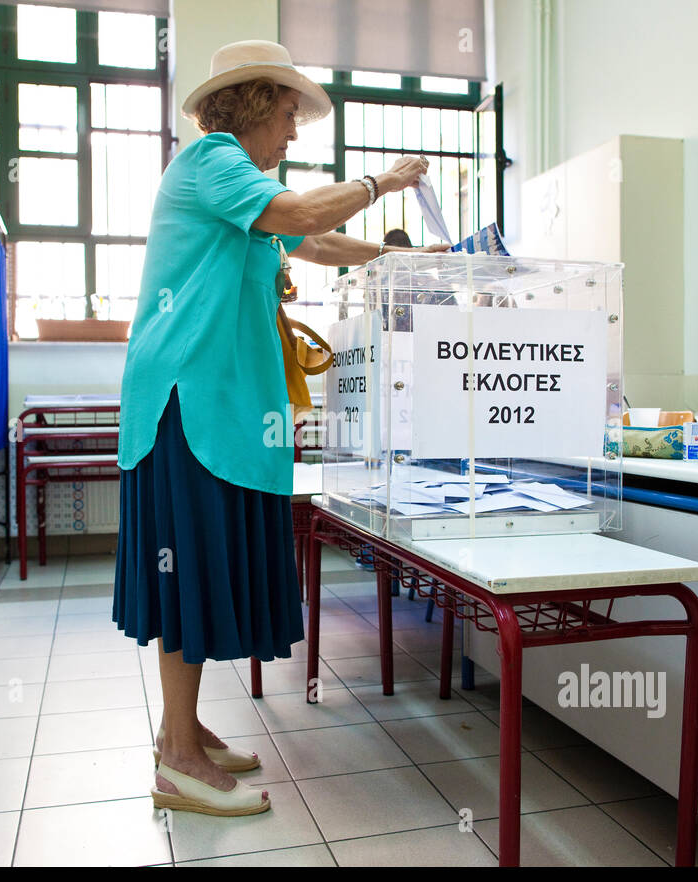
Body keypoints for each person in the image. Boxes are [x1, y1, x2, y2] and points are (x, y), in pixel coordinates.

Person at [112, 39, 447, 817]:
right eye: (290, 115)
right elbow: (298, 213)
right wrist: (383, 179)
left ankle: (182, 729)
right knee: (185, 569)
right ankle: (177, 761)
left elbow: (315, 240)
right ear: (257, 104)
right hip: (185, 404)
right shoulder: (213, 162)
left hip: (217, 406)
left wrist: (407, 260)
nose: (293, 135)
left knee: (197, 567)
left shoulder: (240, 188)